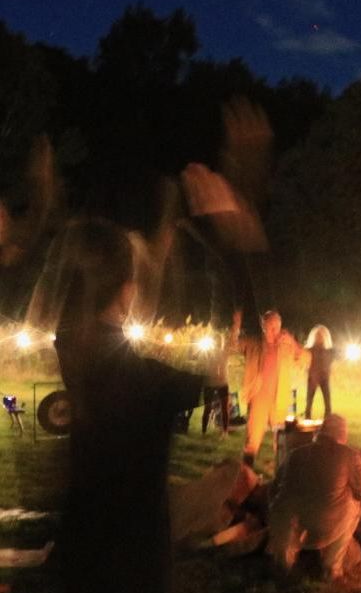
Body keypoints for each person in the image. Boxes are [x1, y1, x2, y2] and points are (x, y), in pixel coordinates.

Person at [51, 219, 203, 593]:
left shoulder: (73, 347)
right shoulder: (139, 377)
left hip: (84, 536)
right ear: (125, 289)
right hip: (130, 551)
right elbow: (185, 385)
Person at [267, 414, 361, 580]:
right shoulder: (350, 455)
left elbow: (274, 488)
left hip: (289, 522)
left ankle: (285, 561)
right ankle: (332, 567)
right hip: (325, 523)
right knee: (356, 504)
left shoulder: (295, 454)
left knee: (288, 502)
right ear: (342, 434)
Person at [236, 309, 303, 466]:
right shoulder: (254, 344)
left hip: (279, 399)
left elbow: (305, 358)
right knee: (252, 440)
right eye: (270, 327)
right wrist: (236, 326)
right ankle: (246, 475)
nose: (273, 331)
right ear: (263, 326)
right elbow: (232, 346)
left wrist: (292, 341)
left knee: (281, 441)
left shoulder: (286, 346)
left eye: (276, 327)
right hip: (259, 397)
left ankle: (282, 478)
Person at [201, 310, 239, 435]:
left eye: (220, 341)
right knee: (207, 408)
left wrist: (235, 326)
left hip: (222, 382)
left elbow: (233, 342)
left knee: (224, 408)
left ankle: (225, 432)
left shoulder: (224, 352)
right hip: (210, 383)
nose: (219, 343)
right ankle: (204, 431)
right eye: (217, 341)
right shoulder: (209, 353)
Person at [303, 325, 336, 419]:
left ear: (325, 337)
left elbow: (330, 362)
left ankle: (328, 420)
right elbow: (304, 361)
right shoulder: (309, 350)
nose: (319, 337)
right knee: (309, 401)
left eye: (321, 335)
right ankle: (307, 418)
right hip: (313, 378)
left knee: (327, 401)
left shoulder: (329, 351)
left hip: (325, 378)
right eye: (317, 335)